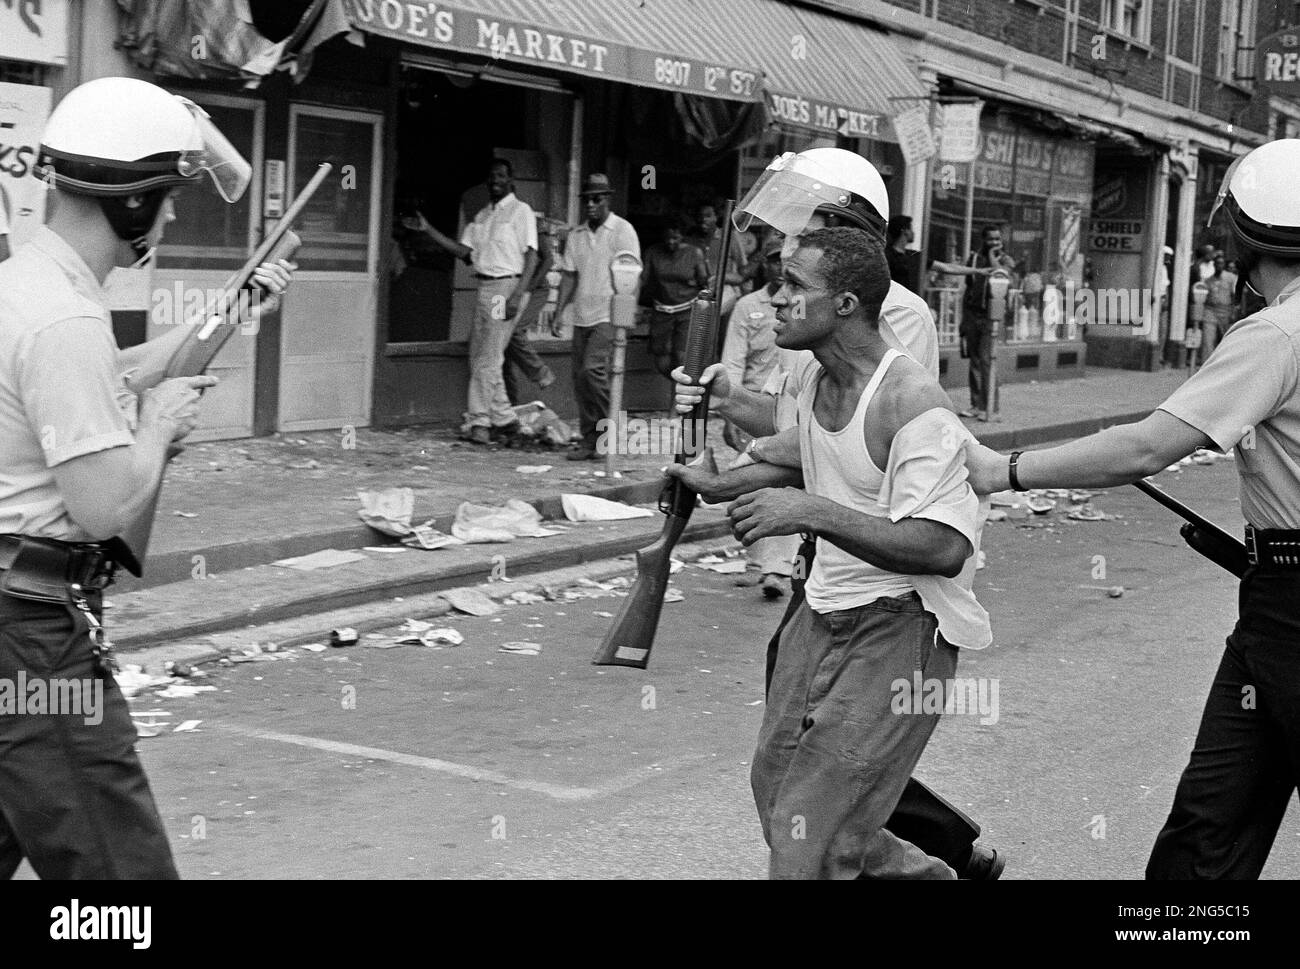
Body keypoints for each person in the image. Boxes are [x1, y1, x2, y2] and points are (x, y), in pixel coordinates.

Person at [964, 139, 1300, 879]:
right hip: (1272, 608)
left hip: (1291, 606)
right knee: (1208, 827)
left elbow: (1148, 447)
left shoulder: (1277, 333)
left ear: (1244, 239)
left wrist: (1004, 467)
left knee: (1208, 833)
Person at [671, 146, 1003, 880]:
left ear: (845, 302)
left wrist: (807, 511)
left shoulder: (908, 398)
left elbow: (944, 547)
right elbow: (799, 443)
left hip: (898, 624)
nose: (774, 299)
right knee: (779, 793)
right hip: (821, 610)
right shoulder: (818, 372)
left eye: (793, 285)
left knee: (807, 843)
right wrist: (718, 475)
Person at [0, 77, 293, 879]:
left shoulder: (27, 289)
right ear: (131, 203)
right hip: (32, 644)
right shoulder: (65, 320)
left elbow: (108, 380)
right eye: (164, 199)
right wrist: (160, 426)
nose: (166, 219)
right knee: (119, 883)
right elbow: (100, 508)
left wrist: (228, 312)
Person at [405, 159, 537, 445]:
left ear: (511, 180)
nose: (495, 181)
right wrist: (427, 229)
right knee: (481, 354)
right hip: (485, 288)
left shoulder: (520, 211)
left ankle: (480, 421)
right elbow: (463, 252)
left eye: (501, 176)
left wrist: (517, 295)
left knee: (488, 357)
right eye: (491, 177)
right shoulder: (482, 217)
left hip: (506, 287)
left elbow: (532, 257)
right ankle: (505, 418)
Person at [720, 238, 801, 599]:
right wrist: (730, 408)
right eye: (772, 261)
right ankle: (757, 564)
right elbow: (733, 359)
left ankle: (779, 569)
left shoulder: (802, 308)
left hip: (791, 407)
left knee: (785, 488)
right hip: (753, 403)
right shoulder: (747, 307)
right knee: (749, 485)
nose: (777, 268)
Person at [552, 173, 641, 461]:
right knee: (581, 380)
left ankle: (611, 431)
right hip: (581, 316)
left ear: (607, 199)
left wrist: (625, 319)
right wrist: (557, 312)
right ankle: (592, 441)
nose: (591, 204)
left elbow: (632, 275)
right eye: (587, 199)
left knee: (593, 371)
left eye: (597, 198)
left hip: (609, 314)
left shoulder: (622, 230)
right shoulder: (577, 236)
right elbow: (568, 276)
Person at [956, 225, 1017, 420]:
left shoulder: (1006, 260)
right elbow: (968, 289)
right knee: (974, 360)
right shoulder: (973, 258)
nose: (995, 243)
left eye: (997, 239)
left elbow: (1000, 274)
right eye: (990, 239)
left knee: (987, 360)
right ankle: (976, 404)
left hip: (991, 317)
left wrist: (992, 255)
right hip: (973, 314)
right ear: (983, 239)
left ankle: (991, 406)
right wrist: (963, 319)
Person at [641, 218, 709, 382]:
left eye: (675, 238)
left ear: (682, 237)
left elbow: (704, 281)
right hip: (662, 311)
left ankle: (677, 404)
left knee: (681, 359)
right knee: (662, 363)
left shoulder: (694, 253)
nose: (671, 242)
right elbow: (642, 279)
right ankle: (679, 388)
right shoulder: (653, 252)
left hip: (686, 310)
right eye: (668, 238)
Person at [502, 213, 558, 405]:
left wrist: (528, 289)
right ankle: (509, 403)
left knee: (514, 331)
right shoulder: (489, 221)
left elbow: (549, 259)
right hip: (501, 290)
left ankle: (540, 372)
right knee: (498, 342)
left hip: (532, 288)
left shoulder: (529, 219)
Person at [688, 200, 745, 318]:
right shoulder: (691, 241)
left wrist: (745, 295)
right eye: (700, 216)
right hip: (700, 291)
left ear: (716, 217)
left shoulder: (729, 236)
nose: (703, 220)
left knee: (708, 315)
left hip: (726, 288)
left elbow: (742, 267)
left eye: (708, 216)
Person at [1199, 251, 1238, 363]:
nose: (1219, 265)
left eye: (1221, 263)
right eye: (1217, 263)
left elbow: (1235, 295)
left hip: (1225, 311)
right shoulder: (1208, 280)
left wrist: (1234, 312)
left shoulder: (1231, 278)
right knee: (1208, 339)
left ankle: (1223, 364)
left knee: (1225, 340)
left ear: (1224, 265)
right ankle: (1206, 365)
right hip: (1210, 311)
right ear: (1214, 265)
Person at [885, 215, 922, 294]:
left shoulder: (914, 255)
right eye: (911, 229)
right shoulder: (887, 256)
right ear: (904, 231)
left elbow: (945, 268)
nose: (913, 232)